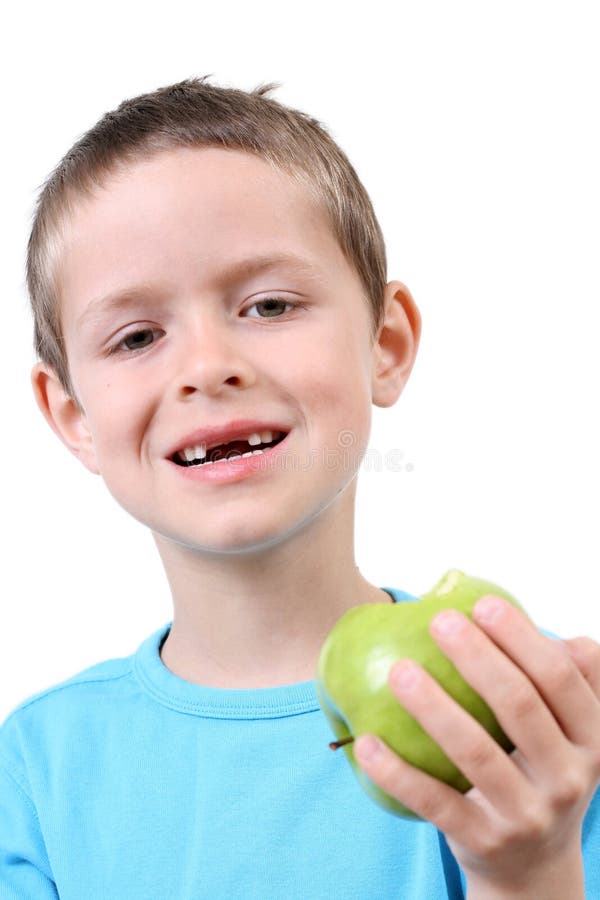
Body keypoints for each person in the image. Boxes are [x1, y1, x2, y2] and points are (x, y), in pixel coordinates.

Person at [1, 75, 599, 900]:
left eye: (270, 305)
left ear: (385, 344)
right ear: (72, 417)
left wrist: (529, 872)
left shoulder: (538, 720)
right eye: (137, 335)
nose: (209, 367)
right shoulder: (36, 767)